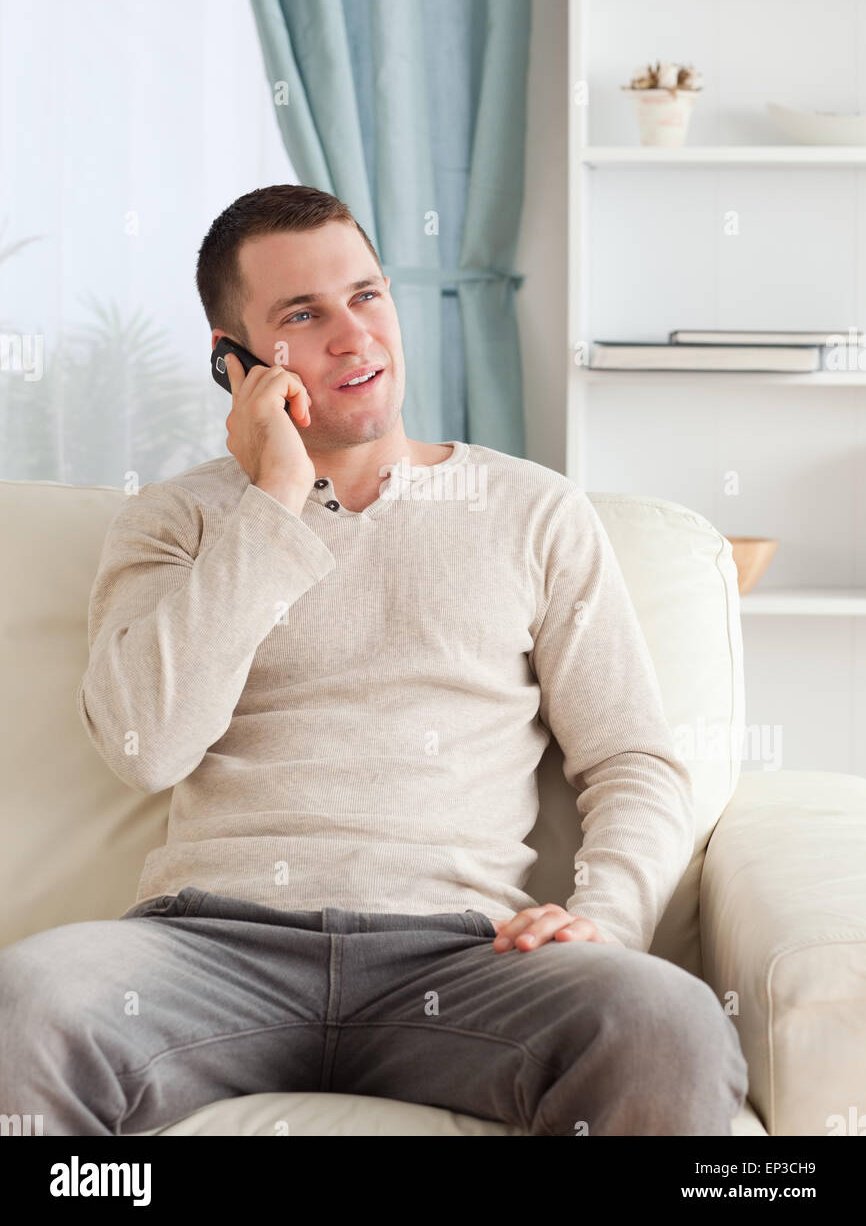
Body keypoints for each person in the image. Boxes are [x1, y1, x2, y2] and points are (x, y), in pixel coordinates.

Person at [0, 185, 749, 1137]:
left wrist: (603, 914)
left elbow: (633, 760)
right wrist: (275, 501)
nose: (355, 337)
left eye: (367, 295)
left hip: (466, 963)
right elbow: (149, 747)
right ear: (235, 365)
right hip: (206, 953)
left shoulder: (535, 512)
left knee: (664, 1022)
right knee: (22, 1006)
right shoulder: (175, 522)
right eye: (303, 316)